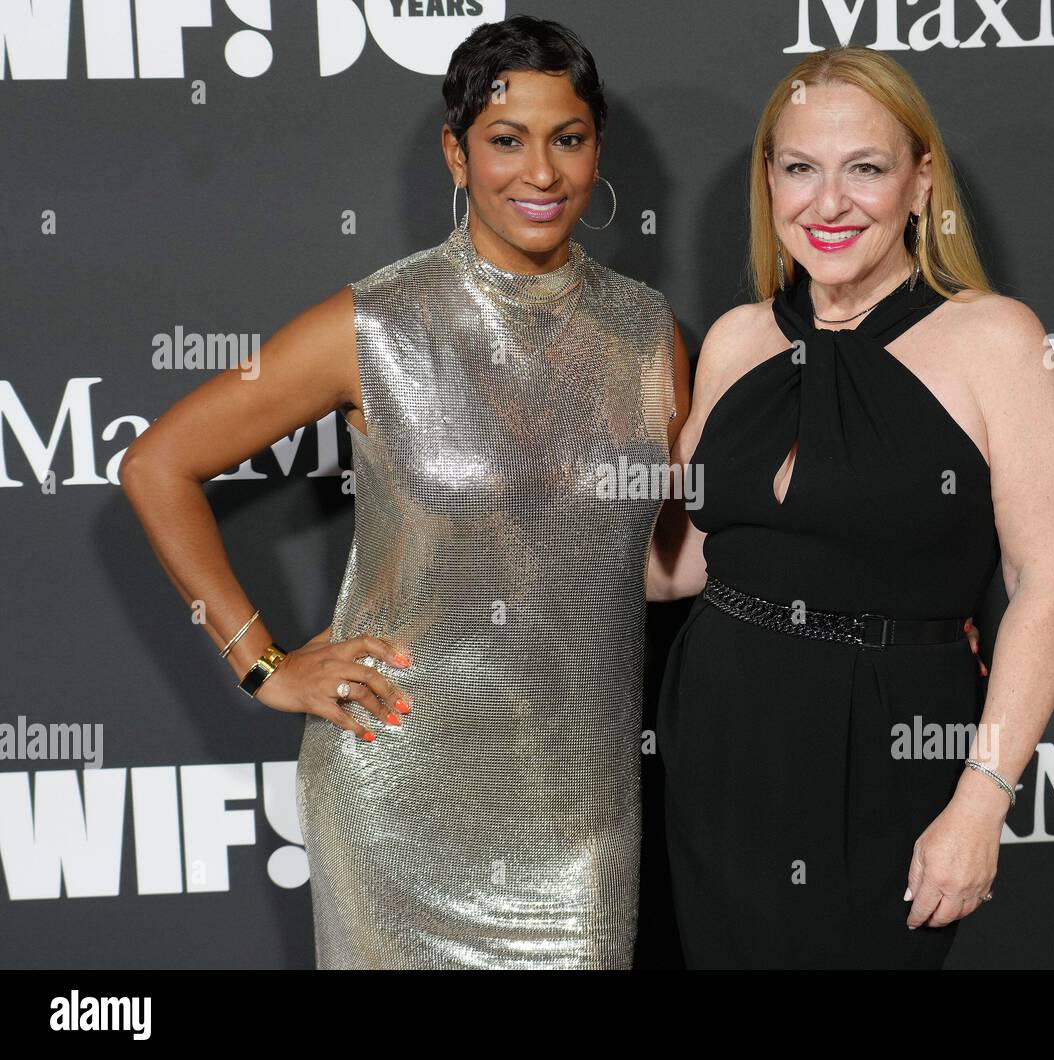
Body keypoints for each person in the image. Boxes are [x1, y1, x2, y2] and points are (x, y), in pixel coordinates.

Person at [122, 15, 690, 969]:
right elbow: (157, 466)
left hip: (580, 807)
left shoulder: (647, 331)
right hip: (400, 790)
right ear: (456, 155)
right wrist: (263, 666)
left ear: (598, 148)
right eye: (506, 141)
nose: (541, 174)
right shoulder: (374, 322)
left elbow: (666, 559)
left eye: (569, 138)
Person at [649, 47, 1054, 969]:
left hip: (893, 745)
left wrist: (982, 800)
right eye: (801, 168)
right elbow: (683, 563)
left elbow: (1051, 582)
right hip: (719, 730)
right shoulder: (736, 339)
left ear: (922, 181)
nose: (829, 202)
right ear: (769, 181)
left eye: (867, 169)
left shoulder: (995, 339)